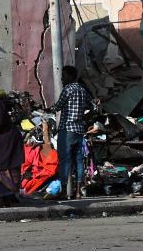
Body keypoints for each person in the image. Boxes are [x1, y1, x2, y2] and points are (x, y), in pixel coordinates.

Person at [52, 66, 93, 198]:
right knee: (79, 160)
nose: (62, 78)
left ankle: (64, 191)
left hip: (67, 129)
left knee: (65, 160)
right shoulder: (82, 89)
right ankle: (78, 191)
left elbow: (58, 106)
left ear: (70, 76)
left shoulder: (67, 89)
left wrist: (48, 109)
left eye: (64, 76)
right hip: (79, 130)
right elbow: (92, 105)